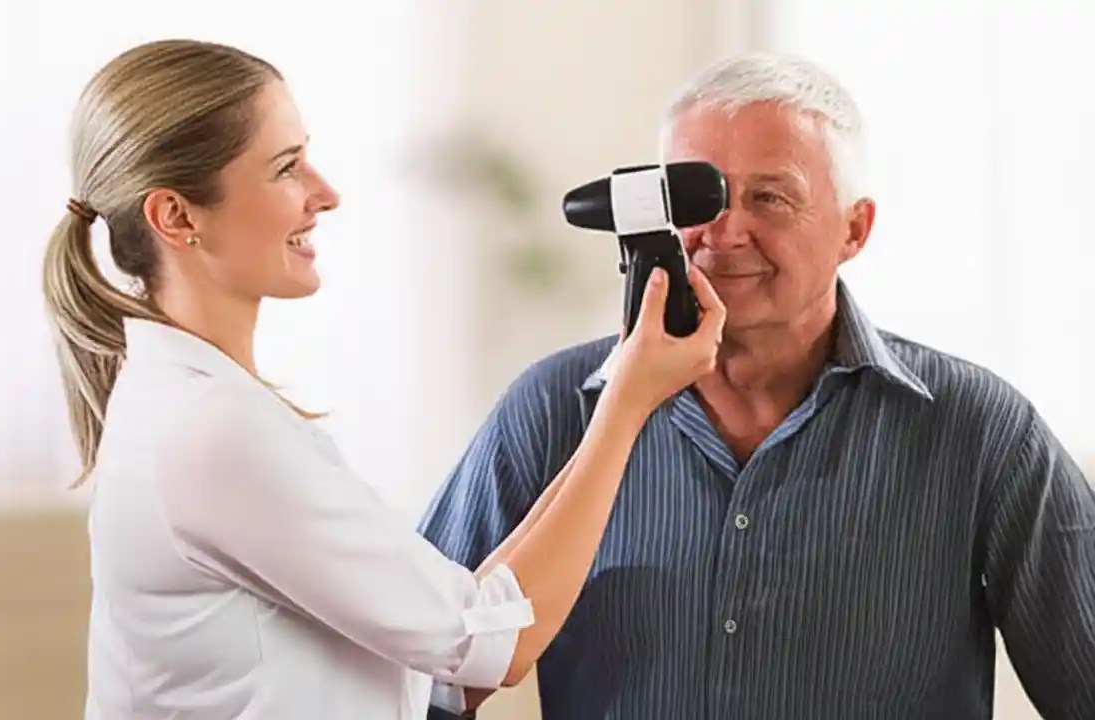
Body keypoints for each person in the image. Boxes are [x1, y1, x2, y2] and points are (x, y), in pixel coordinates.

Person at [39, 39, 726, 719]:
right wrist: (630, 405)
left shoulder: (188, 407)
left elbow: (456, 656)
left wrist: (623, 400)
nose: (325, 194)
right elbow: (492, 646)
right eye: (286, 168)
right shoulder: (214, 430)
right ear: (177, 216)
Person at [420, 52, 1095, 719]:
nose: (724, 231)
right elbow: (416, 677)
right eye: (696, 196)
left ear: (854, 229)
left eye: (770, 198)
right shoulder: (550, 412)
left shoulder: (982, 433)